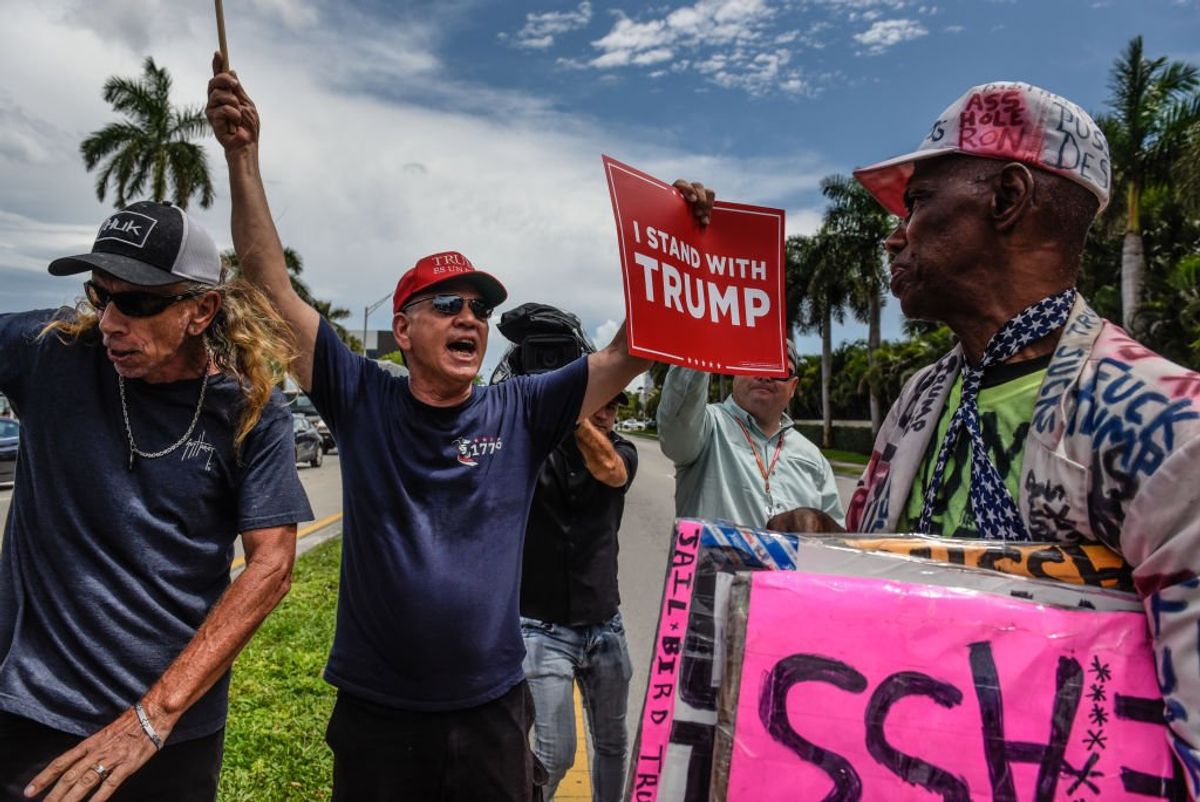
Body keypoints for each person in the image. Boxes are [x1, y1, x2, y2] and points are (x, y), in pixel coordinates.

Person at [206, 57, 653, 800]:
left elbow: (625, 352)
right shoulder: (362, 397)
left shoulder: (522, 410)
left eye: (477, 308)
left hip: (491, 712)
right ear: (403, 331)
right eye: (447, 305)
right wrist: (244, 157)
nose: (469, 318)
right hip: (379, 714)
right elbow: (268, 285)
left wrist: (680, 241)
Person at [760, 81, 1200, 786]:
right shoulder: (919, 398)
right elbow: (892, 593)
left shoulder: (1168, 426)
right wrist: (828, 556)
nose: (895, 234)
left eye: (919, 202)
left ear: (1006, 198)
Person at [0, 201, 313, 801]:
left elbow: (271, 567)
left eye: (139, 301)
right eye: (101, 296)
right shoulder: (51, 354)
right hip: (33, 716)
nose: (113, 320)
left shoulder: (249, 410)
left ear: (201, 309)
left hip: (171, 732)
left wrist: (153, 716)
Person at [520, 392, 637, 802]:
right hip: (541, 628)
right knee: (554, 754)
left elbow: (611, 471)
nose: (606, 414)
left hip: (606, 624)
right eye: (597, 404)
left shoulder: (623, 451)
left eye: (612, 407)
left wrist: (573, 414)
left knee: (612, 743)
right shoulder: (535, 451)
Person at [656, 338, 844, 528]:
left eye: (779, 369)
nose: (766, 376)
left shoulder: (814, 459)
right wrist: (702, 335)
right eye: (756, 362)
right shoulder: (706, 426)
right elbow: (675, 437)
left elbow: (837, 545)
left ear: (793, 387)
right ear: (736, 369)